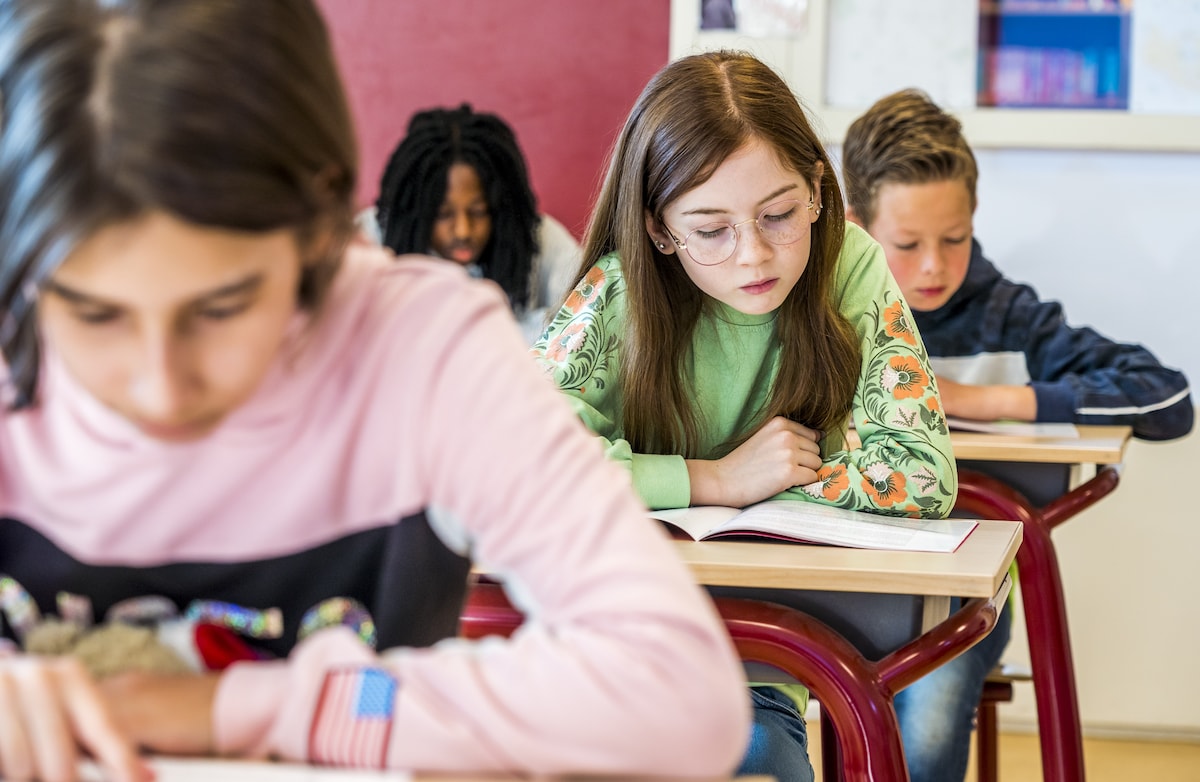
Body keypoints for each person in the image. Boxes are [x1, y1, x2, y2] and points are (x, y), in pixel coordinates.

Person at [0, 2, 753, 781]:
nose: (161, 389)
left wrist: (240, 708)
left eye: (223, 308)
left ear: (321, 224)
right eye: (92, 315)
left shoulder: (425, 351)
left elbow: (677, 696)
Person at [532, 51, 958, 782]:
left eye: (779, 215)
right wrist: (715, 480)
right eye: (710, 230)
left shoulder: (846, 262)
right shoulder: (622, 286)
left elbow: (919, 475)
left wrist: (765, 481)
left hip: (755, 669)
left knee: (759, 758)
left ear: (817, 190)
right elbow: (514, 466)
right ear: (660, 228)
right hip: (600, 653)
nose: (754, 255)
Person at [841, 87, 1194, 782]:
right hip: (846, 575)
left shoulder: (1009, 318)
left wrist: (987, 399)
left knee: (931, 709)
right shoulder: (825, 314)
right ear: (858, 228)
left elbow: (1169, 398)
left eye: (955, 239)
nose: (935, 266)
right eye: (907, 245)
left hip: (963, 591)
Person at [364, 104, 580, 344]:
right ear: (416, 211)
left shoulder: (539, 238)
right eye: (444, 214)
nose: (463, 231)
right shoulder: (371, 240)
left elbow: (585, 318)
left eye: (478, 212)